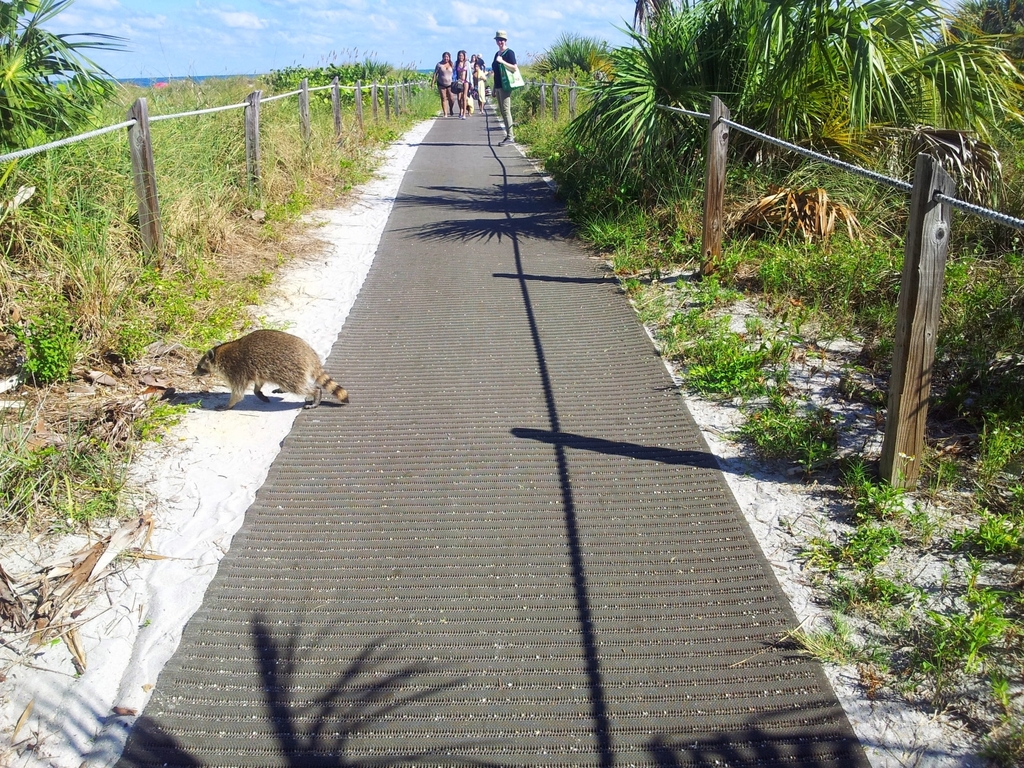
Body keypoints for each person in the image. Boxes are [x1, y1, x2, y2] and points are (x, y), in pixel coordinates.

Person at [491, 31, 518, 145]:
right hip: (498, 86)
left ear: (505, 41)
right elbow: (496, 72)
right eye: (498, 40)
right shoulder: (497, 53)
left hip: (506, 86)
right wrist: (493, 88)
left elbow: (514, 68)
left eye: (502, 40)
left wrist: (502, 61)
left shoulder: (509, 53)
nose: (500, 42)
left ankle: (510, 137)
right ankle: (508, 135)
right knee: (502, 111)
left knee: (506, 110)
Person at [431, 51, 455, 117]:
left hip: (450, 84)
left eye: (447, 57)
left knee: (451, 98)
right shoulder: (439, 64)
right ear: (442, 57)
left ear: (449, 58)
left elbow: (455, 73)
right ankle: (445, 113)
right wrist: (432, 83)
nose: (446, 58)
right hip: (441, 84)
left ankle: (451, 108)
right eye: (445, 57)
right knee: (443, 98)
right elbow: (435, 74)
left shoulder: (452, 64)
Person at [454, 50, 470, 119]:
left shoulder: (467, 63)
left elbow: (470, 74)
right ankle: (461, 110)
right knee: (459, 98)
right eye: (459, 55)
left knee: (464, 97)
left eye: (462, 55)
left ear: (464, 56)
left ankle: (464, 114)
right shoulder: (456, 63)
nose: (461, 57)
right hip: (459, 81)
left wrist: (471, 83)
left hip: (466, 81)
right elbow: (454, 73)